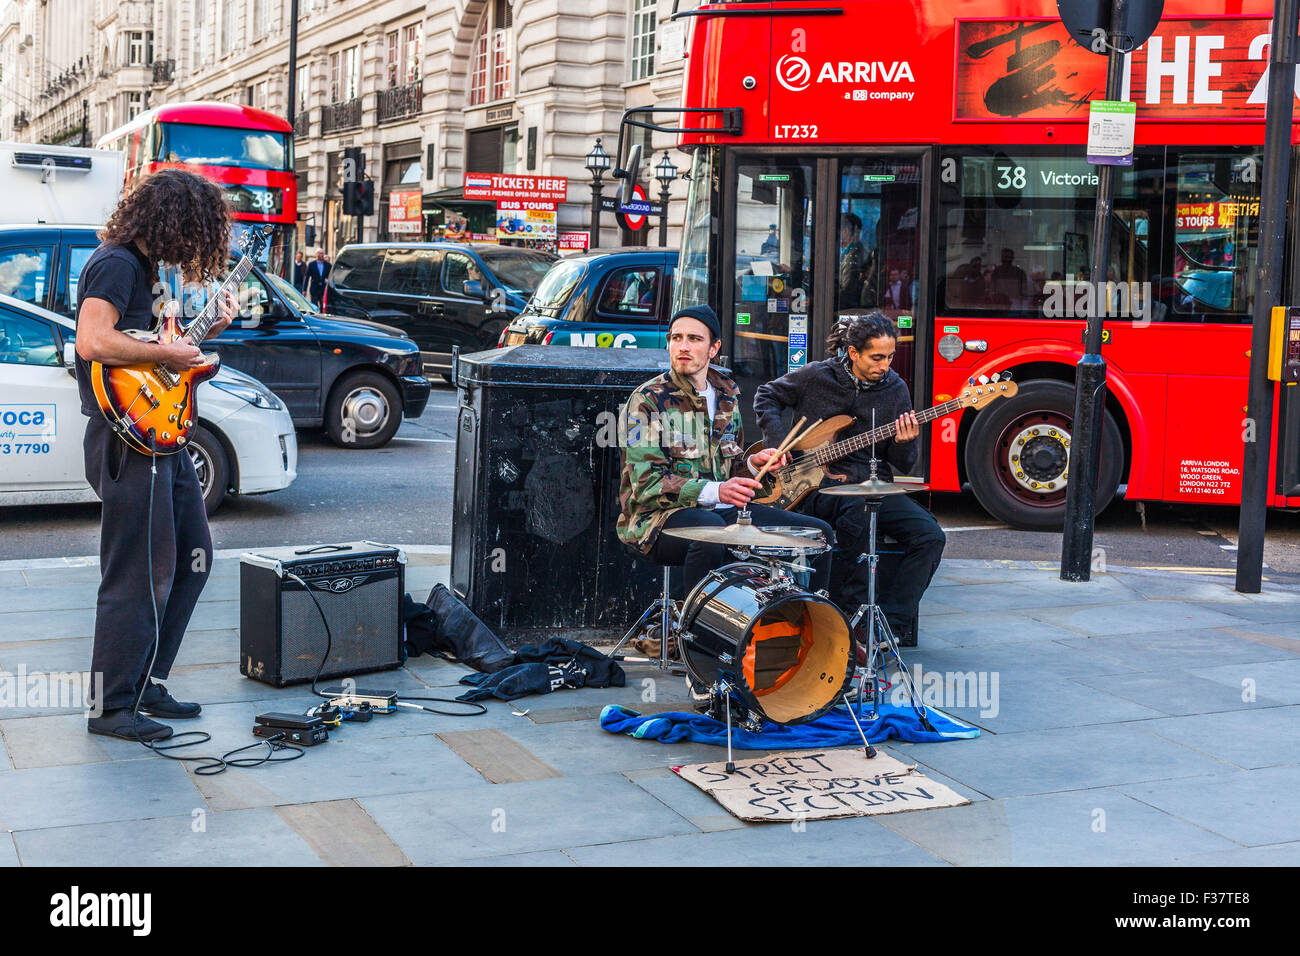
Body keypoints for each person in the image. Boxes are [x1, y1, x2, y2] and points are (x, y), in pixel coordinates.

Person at [74, 168, 238, 741]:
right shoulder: (117, 263)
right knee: (136, 576)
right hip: (126, 442)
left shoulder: (141, 269)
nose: (195, 246)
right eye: (195, 232)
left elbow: (148, 356)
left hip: (157, 437)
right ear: (174, 223)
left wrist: (200, 334)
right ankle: (110, 708)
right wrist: (166, 354)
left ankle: (147, 681)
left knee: (193, 557)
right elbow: (93, 341)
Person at [618, 305, 835, 602]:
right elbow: (646, 485)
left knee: (817, 534)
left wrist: (751, 463)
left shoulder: (726, 396)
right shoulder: (647, 400)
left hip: (722, 514)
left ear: (714, 348)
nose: (683, 346)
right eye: (676, 337)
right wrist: (717, 491)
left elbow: (730, 469)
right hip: (657, 520)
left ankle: (808, 622)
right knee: (712, 535)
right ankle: (692, 633)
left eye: (694, 339)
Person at [753, 312, 945, 646]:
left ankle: (889, 626)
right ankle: (841, 615)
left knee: (930, 537)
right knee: (854, 512)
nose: (885, 365)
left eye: (889, 357)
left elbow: (904, 465)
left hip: (873, 486)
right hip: (812, 483)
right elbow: (766, 395)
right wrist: (777, 445)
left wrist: (905, 441)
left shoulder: (895, 389)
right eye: (877, 357)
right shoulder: (818, 375)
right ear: (853, 353)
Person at [838, 212, 866, 305]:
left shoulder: (853, 256)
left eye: (837, 230)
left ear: (845, 231)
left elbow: (847, 290)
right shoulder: (847, 252)